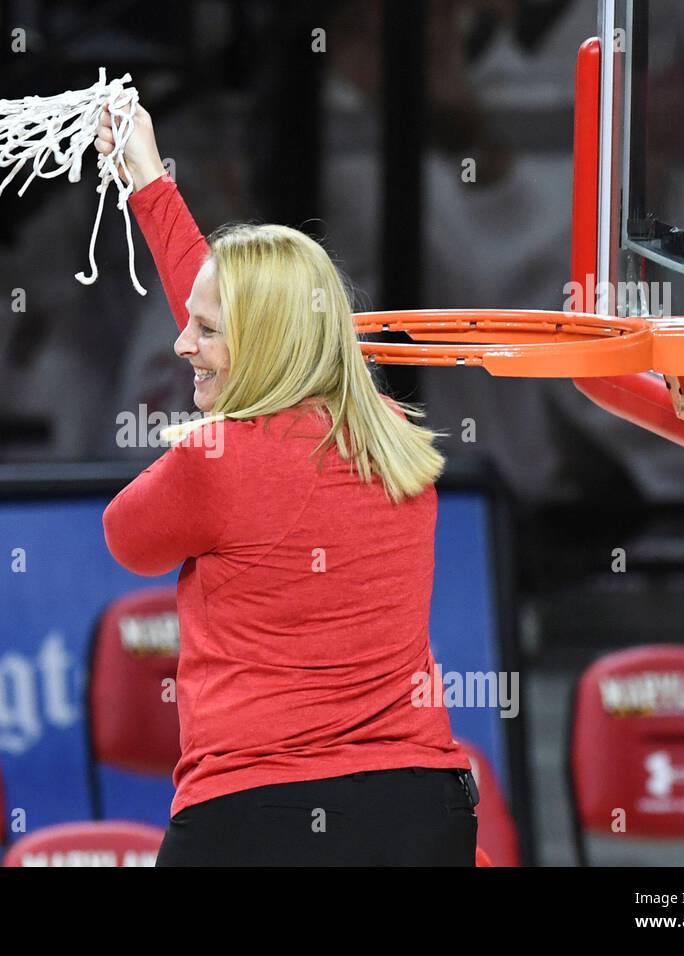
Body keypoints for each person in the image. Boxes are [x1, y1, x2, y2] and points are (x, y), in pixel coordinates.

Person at [96, 103, 479, 866]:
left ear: (260, 345)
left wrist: (208, 433)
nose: (182, 343)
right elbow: (257, 338)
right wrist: (147, 177)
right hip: (421, 811)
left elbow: (126, 538)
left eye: (205, 333)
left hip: (255, 819)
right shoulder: (397, 441)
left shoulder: (213, 462)